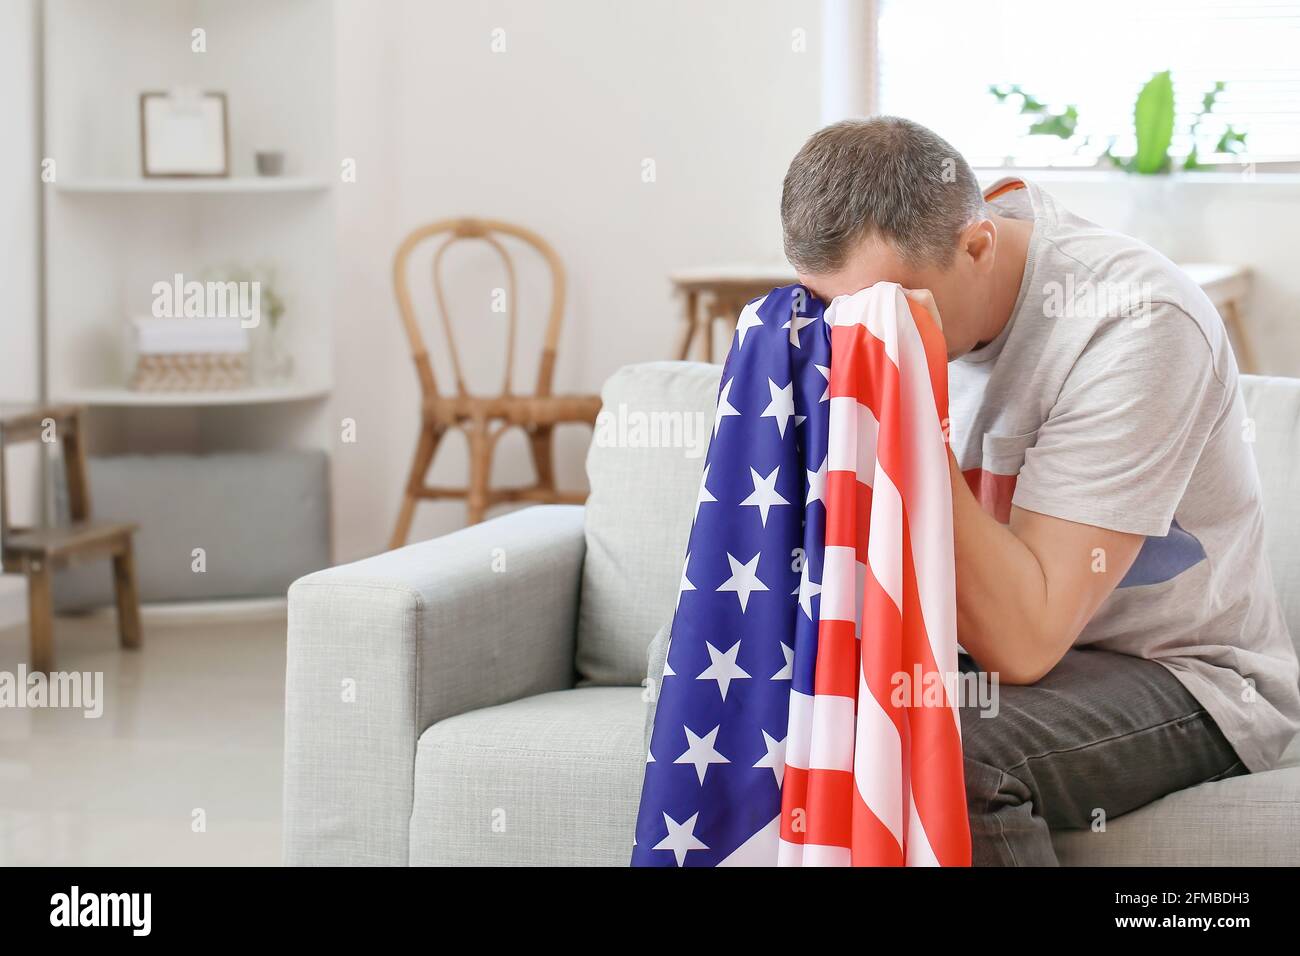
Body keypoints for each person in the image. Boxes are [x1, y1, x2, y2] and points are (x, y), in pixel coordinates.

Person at [779, 115, 1300, 865]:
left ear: (978, 246)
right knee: (712, 675)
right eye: (838, 311)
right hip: (965, 643)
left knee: (952, 750)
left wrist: (907, 412)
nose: (860, 333)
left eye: (891, 311)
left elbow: (1025, 643)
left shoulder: (1134, 322)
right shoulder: (874, 293)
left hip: (1178, 671)